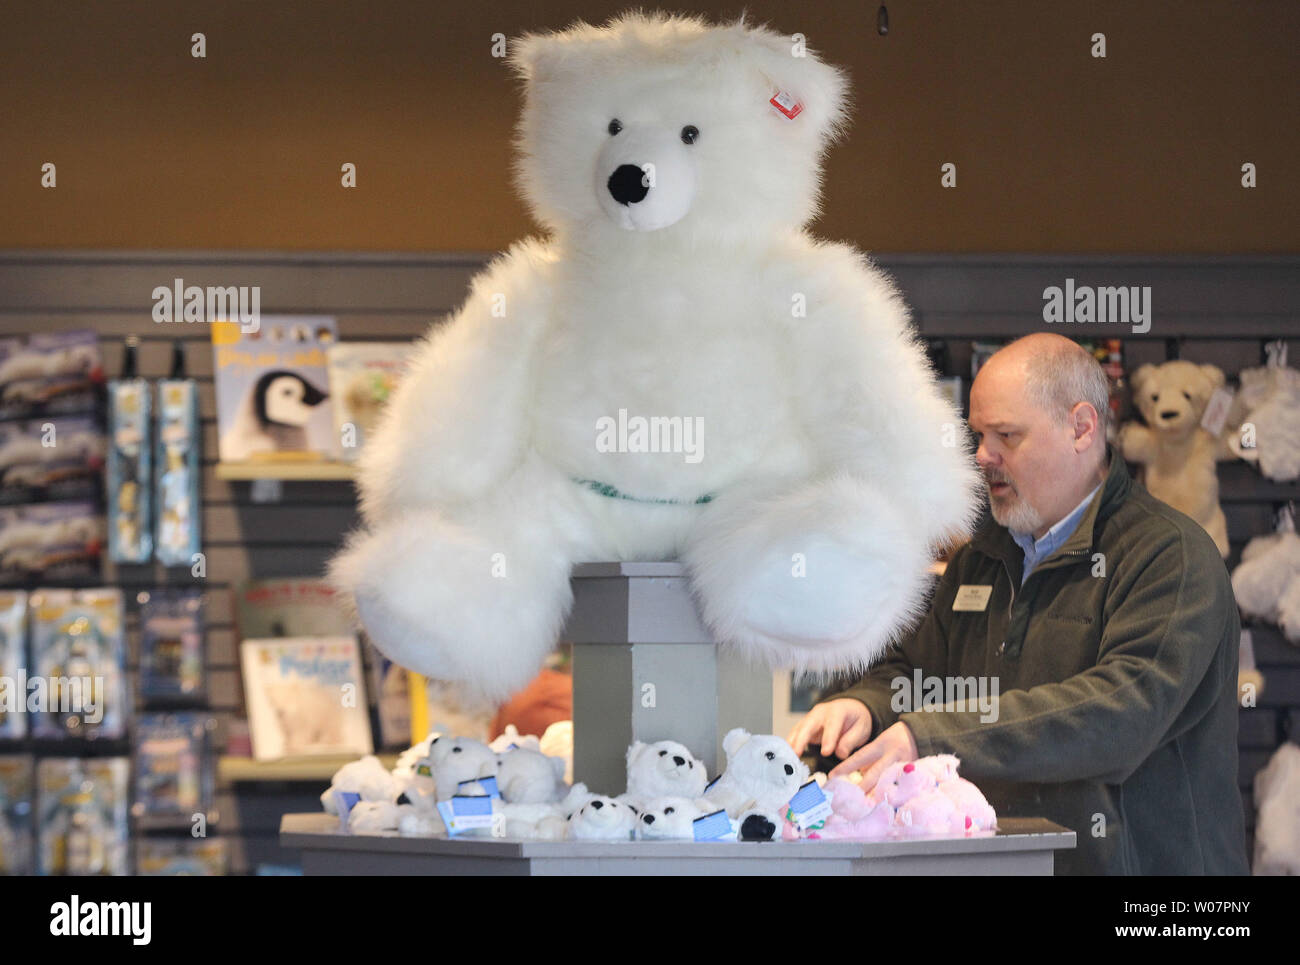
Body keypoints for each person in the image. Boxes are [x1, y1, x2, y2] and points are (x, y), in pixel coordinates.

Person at [789, 333, 1249, 875]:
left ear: (1082, 428)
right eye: (979, 434)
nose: (984, 456)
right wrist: (865, 705)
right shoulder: (980, 557)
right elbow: (915, 671)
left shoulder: (1169, 558)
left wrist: (929, 733)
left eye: (1006, 435)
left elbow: (1121, 712)